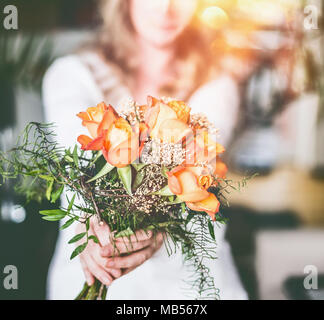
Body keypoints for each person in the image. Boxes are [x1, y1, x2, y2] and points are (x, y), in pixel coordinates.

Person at [43, 0, 247, 300]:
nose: (166, 8)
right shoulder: (71, 75)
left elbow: (195, 163)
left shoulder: (217, 84)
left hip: (196, 288)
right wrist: (92, 230)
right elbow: (83, 166)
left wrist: (154, 232)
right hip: (88, 270)